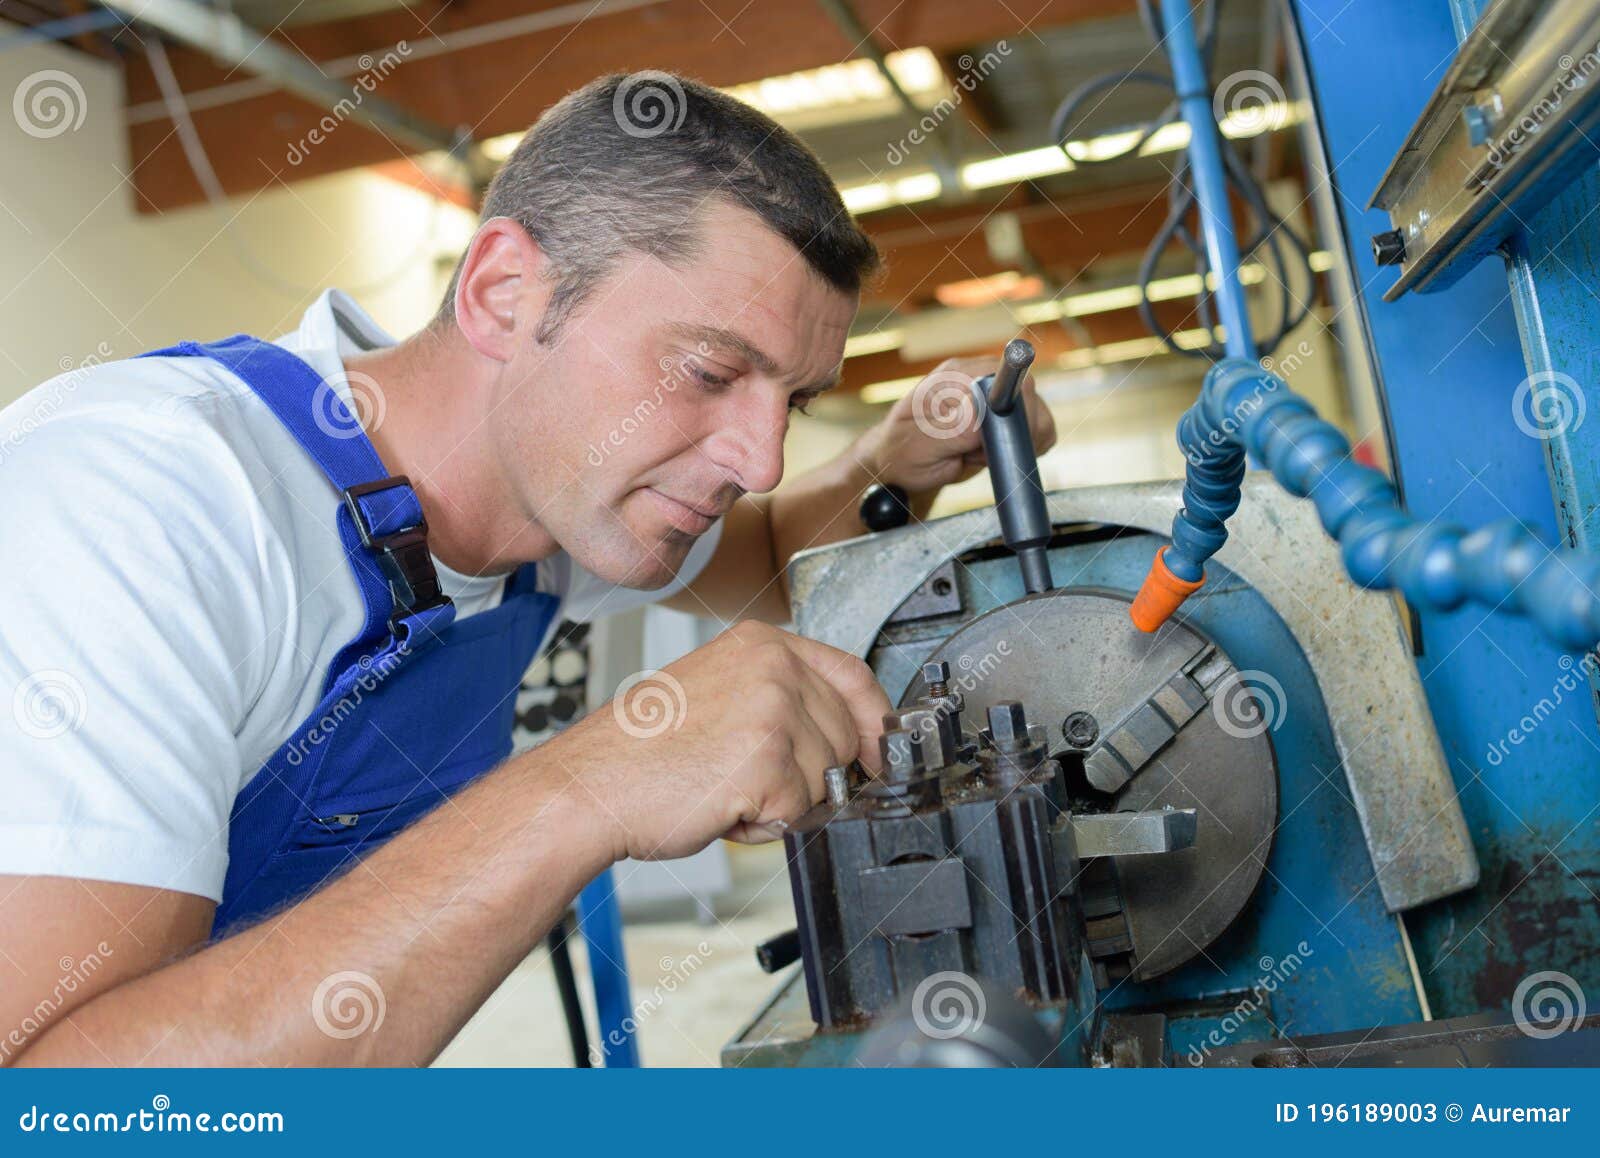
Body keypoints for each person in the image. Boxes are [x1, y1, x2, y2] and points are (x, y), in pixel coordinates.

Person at [0, 72, 1053, 1065]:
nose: (762, 460)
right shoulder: (147, 502)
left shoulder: (544, 513)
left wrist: (886, 465)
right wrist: (591, 783)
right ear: (504, 294)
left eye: (794, 402)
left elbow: (780, 557)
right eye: (709, 371)